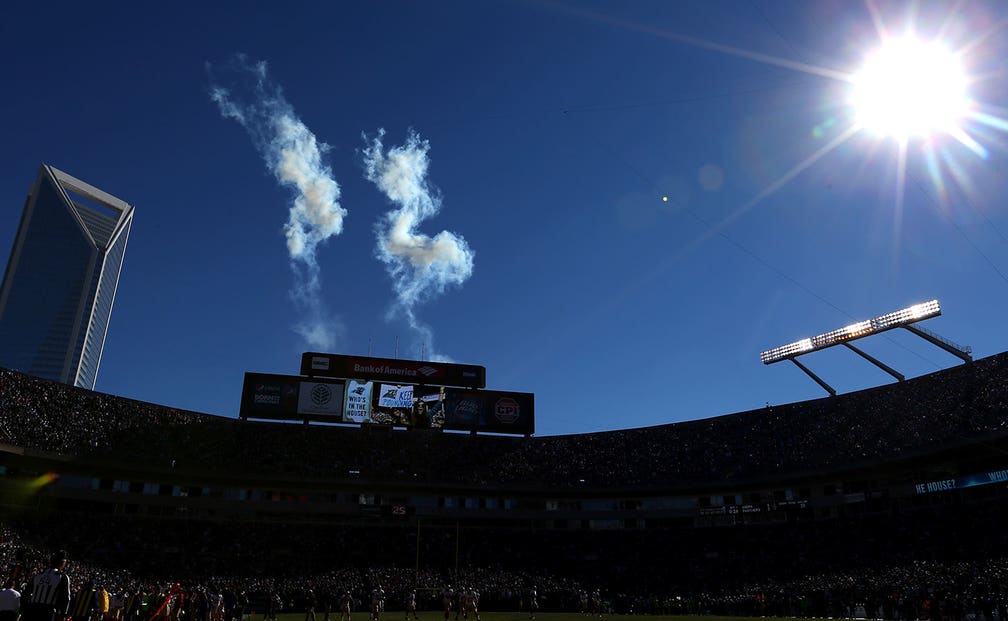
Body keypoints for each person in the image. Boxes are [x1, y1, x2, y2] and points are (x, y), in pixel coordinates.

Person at [23, 551, 70, 621]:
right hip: (47, 612)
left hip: (32, 609)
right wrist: (63, 614)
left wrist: (24, 608)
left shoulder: (38, 575)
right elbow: (66, 598)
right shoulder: (62, 577)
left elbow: (26, 593)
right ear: (62, 562)